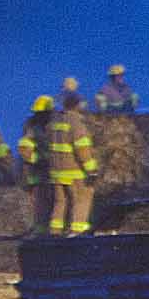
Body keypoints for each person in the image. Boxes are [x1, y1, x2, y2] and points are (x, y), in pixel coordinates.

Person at [45, 93, 99, 235]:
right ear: (77, 105)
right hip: (74, 172)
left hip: (55, 173)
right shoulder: (76, 123)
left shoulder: (54, 122)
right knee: (82, 198)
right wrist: (91, 170)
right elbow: (82, 149)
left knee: (60, 202)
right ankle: (77, 231)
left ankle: (55, 231)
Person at [17, 97, 54, 236]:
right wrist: (38, 160)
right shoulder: (32, 126)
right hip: (37, 172)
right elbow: (24, 148)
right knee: (41, 203)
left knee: (51, 202)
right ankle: (40, 230)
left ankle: (45, 230)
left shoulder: (54, 124)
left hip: (52, 170)